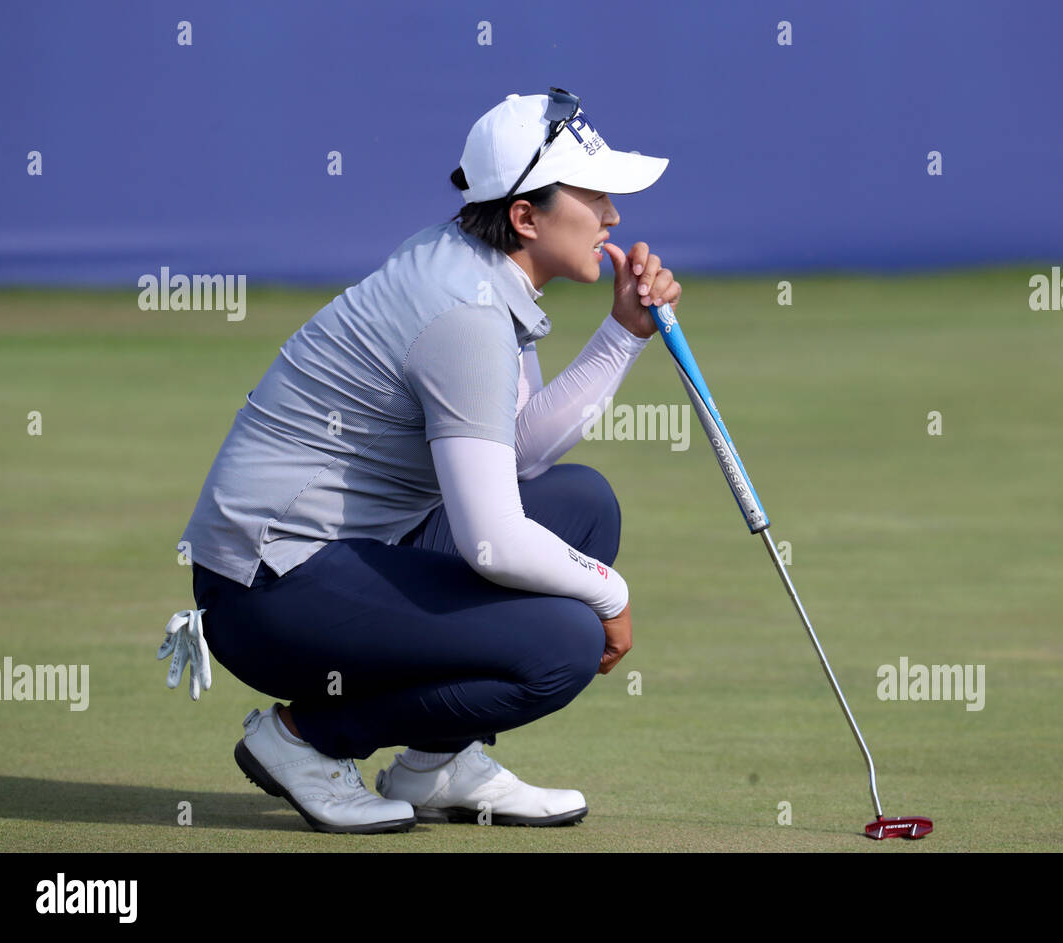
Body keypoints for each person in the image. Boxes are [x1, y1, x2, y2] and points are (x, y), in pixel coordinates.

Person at [170, 88, 681, 833]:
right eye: (594, 194)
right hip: (267, 588)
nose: (613, 216)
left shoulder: (478, 266)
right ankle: (306, 740)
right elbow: (491, 542)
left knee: (583, 505)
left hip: (345, 556)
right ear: (526, 217)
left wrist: (622, 336)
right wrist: (612, 592)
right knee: (563, 644)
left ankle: (437, 763)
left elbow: (516, 455)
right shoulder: (466, 312)